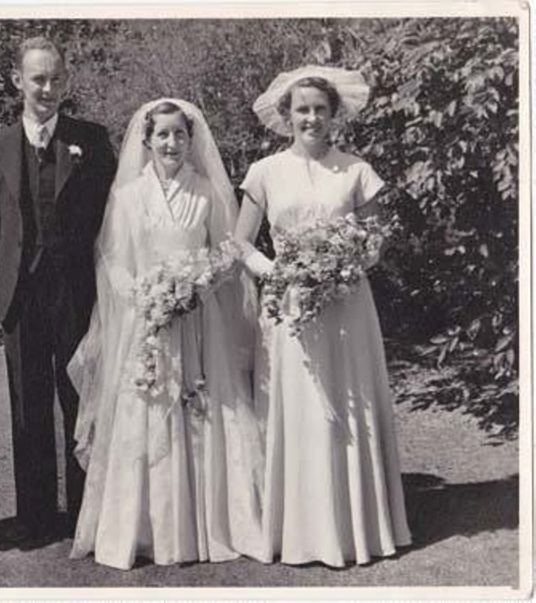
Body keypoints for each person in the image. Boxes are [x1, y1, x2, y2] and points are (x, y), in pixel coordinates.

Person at [67, 99, 267, 570]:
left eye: (179, 135)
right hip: (147, 319)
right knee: (147, 409)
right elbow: (112, 257)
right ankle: (144, 528)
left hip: (198, 319)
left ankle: (210, 524)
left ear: (190, 140)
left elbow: (227, 252)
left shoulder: (205, 191)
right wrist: (144, 297)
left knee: (204, 409)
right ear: (147, 140)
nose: (172, 143)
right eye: (163, 135)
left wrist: (197, 287)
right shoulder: (128, 195)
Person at [234, 65, 412, 567]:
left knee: (348, 404)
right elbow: (239, 241)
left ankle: (357, 527)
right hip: (290, 308)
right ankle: (299, 530)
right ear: (287, 115)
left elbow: (376, 240)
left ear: (334, 115)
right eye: (302, 109)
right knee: (301, 407)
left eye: (319, 109)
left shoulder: (356, 170)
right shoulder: (265, 171)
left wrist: (343, 265)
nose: (310, 117)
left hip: (347, 306)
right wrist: (278, 272)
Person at [0, 36, 116, 541]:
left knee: (80, 399)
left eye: (57, 78)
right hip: (21, 292)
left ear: (67, 80)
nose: (48, 88)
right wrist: (7, 275)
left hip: (77, 293)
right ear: (19, 81)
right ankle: (35, 517)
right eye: (38, 78)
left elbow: (109, 217)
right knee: (26, 403)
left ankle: (87, 513)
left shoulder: (93, 140)